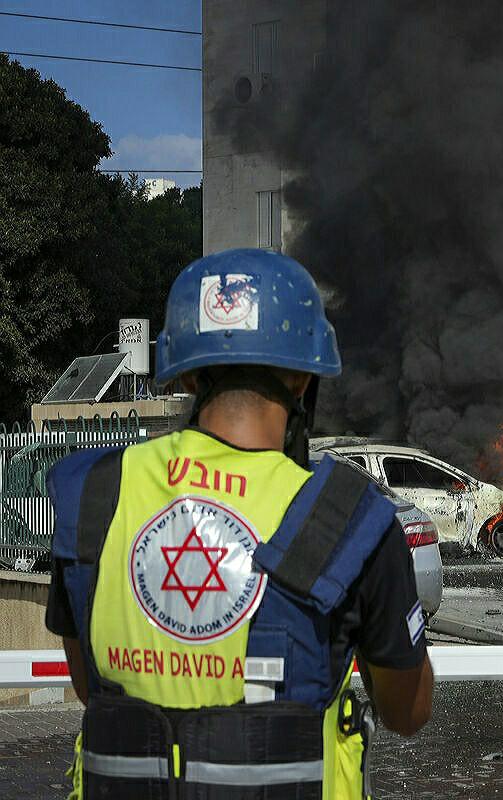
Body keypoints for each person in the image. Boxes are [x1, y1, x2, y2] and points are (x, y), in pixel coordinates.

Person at [44, 248, 433, 799]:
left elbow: (92, 689)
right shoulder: (346, 519)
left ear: (186, 376)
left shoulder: (96, 496)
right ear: (303, 379)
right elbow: (407, 711)